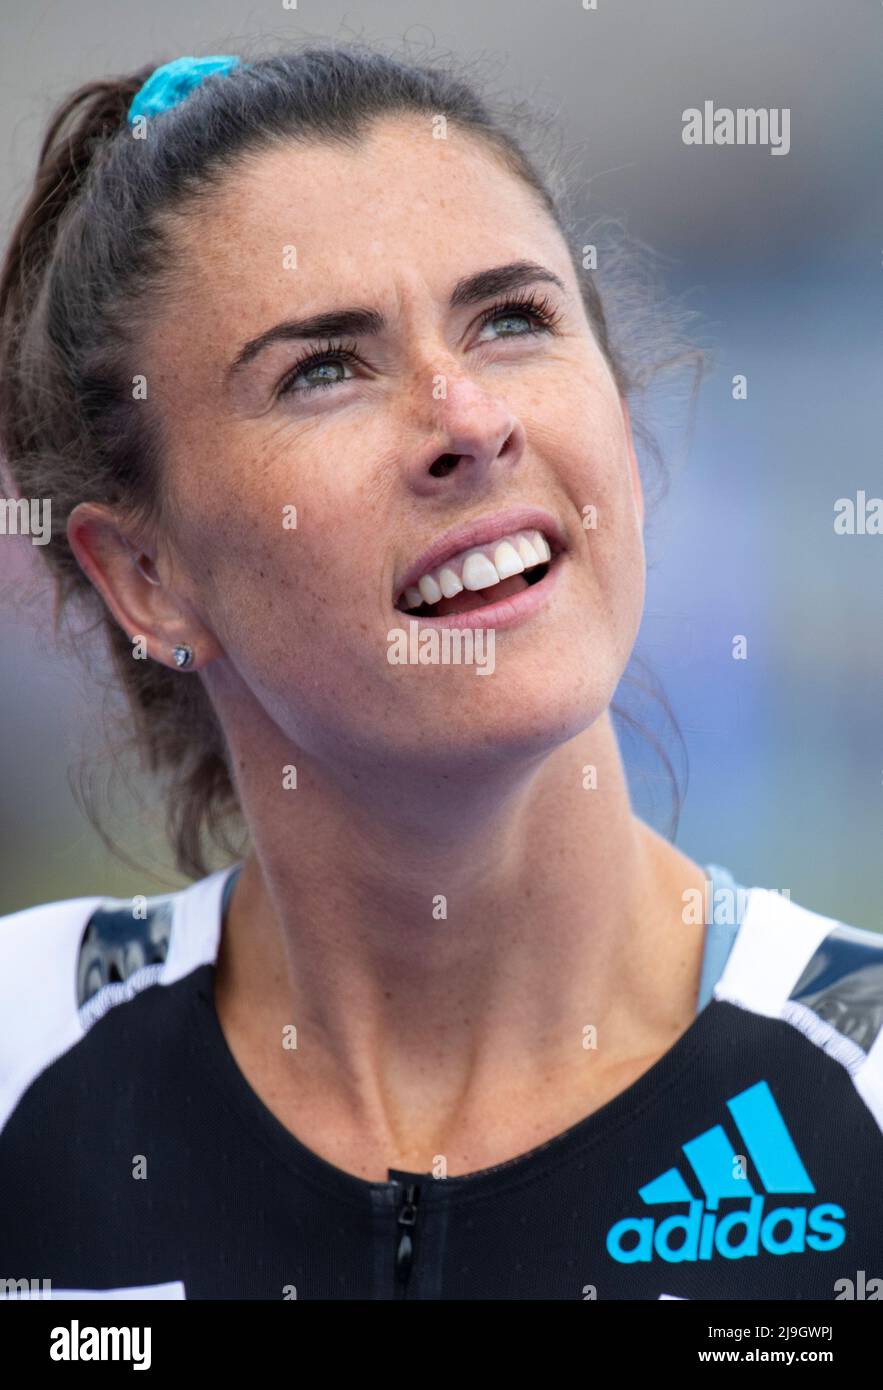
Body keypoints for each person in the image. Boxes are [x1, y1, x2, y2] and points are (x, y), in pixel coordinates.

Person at [0, 46, 880, 1302]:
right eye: (321, 369)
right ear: (145, 574)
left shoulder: (861, 1081)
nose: (468, 418)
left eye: (513, 319)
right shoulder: (23, 1062)